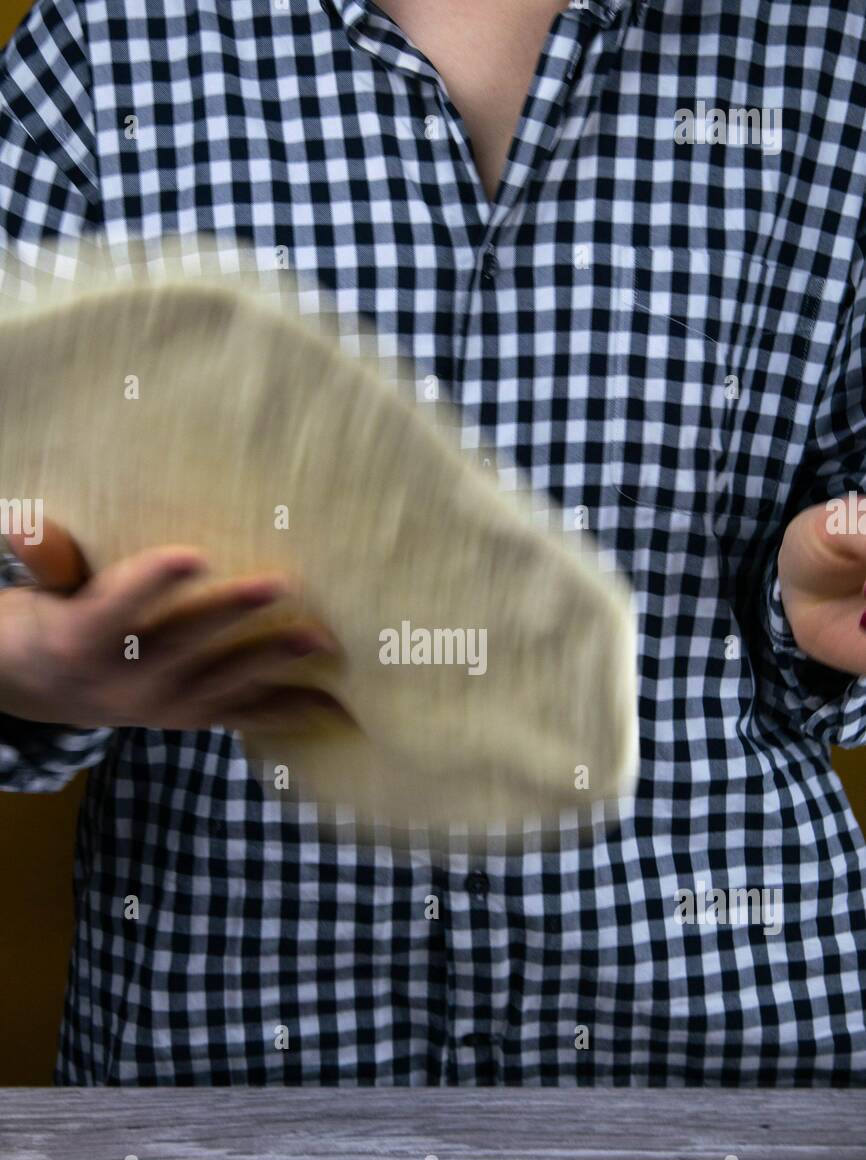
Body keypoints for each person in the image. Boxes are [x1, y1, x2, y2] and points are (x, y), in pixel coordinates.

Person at [1, 0, 865, 1085]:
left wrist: (803, 610)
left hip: (724, 1059)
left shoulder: (833, 51)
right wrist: (37, 656)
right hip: (227, 1074)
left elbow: (836, 595)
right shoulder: (104, 49)